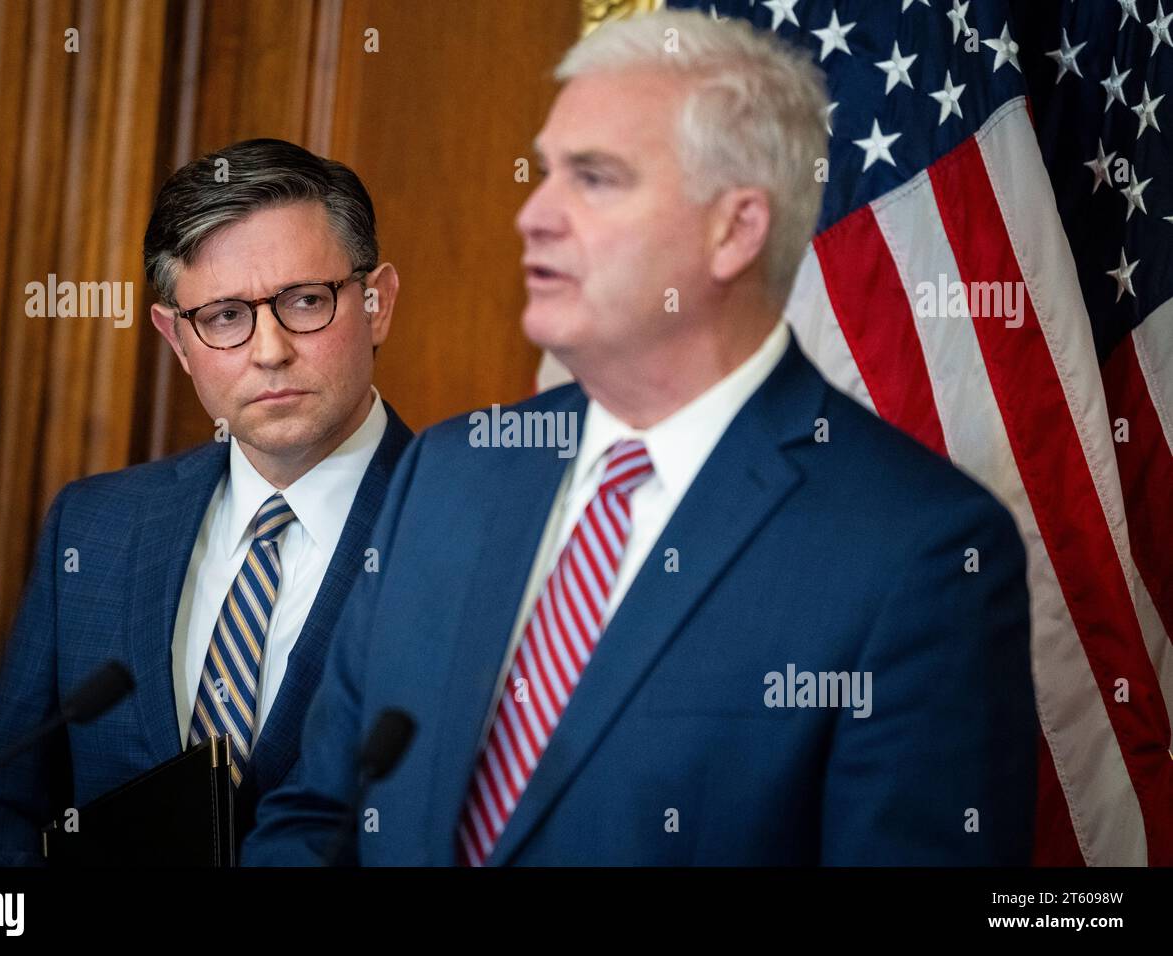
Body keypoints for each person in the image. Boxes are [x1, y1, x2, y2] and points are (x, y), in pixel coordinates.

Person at [242, 12, 1036, 866]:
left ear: (734, 229)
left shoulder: (918, 553)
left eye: (596, 179)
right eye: (547, 173)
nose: (534, 216)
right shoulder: (448, 471)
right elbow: (313, 817)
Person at [0, 138, 412, 864]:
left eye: (306, 301)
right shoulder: (93, 528)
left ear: (376, 305)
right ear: (177, 340)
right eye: (224, 316)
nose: (270, 349)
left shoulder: (465, 528)